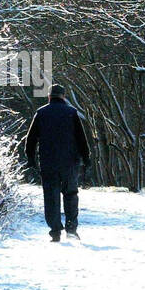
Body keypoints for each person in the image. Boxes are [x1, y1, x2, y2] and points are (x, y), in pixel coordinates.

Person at [23, 84, 92, 241]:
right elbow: (82, 139)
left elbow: (31, 139)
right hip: (70, 162)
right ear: (63, 96)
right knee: (70, 194)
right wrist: (86, 158)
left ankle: (55, 232)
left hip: (48, 163)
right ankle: (71, 229)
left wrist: (31, 159)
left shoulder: (41, 113)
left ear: (49, 96)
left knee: (51, 196)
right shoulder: (72, 113)